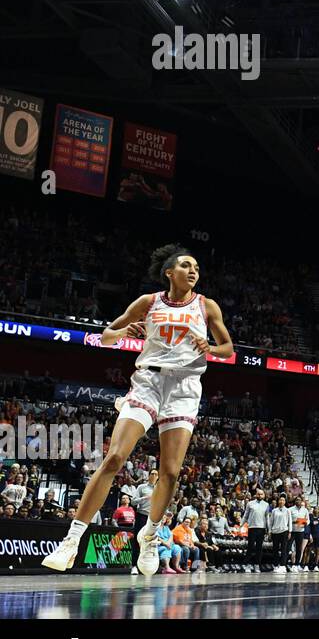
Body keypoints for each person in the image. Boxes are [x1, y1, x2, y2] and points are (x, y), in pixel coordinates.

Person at [42, 245, 234, 574]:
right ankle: (71, 541)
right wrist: (123, 331)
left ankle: (149, 535)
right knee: (115, 457)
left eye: (197, 268)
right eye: (186, 266)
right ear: (169, 272)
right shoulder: (148, 302)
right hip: (148, 382)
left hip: (184, 388)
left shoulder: (207, 305)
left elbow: (228, 348)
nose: (193, 271)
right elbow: (105, 337)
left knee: (170, 472)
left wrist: (211, 348)